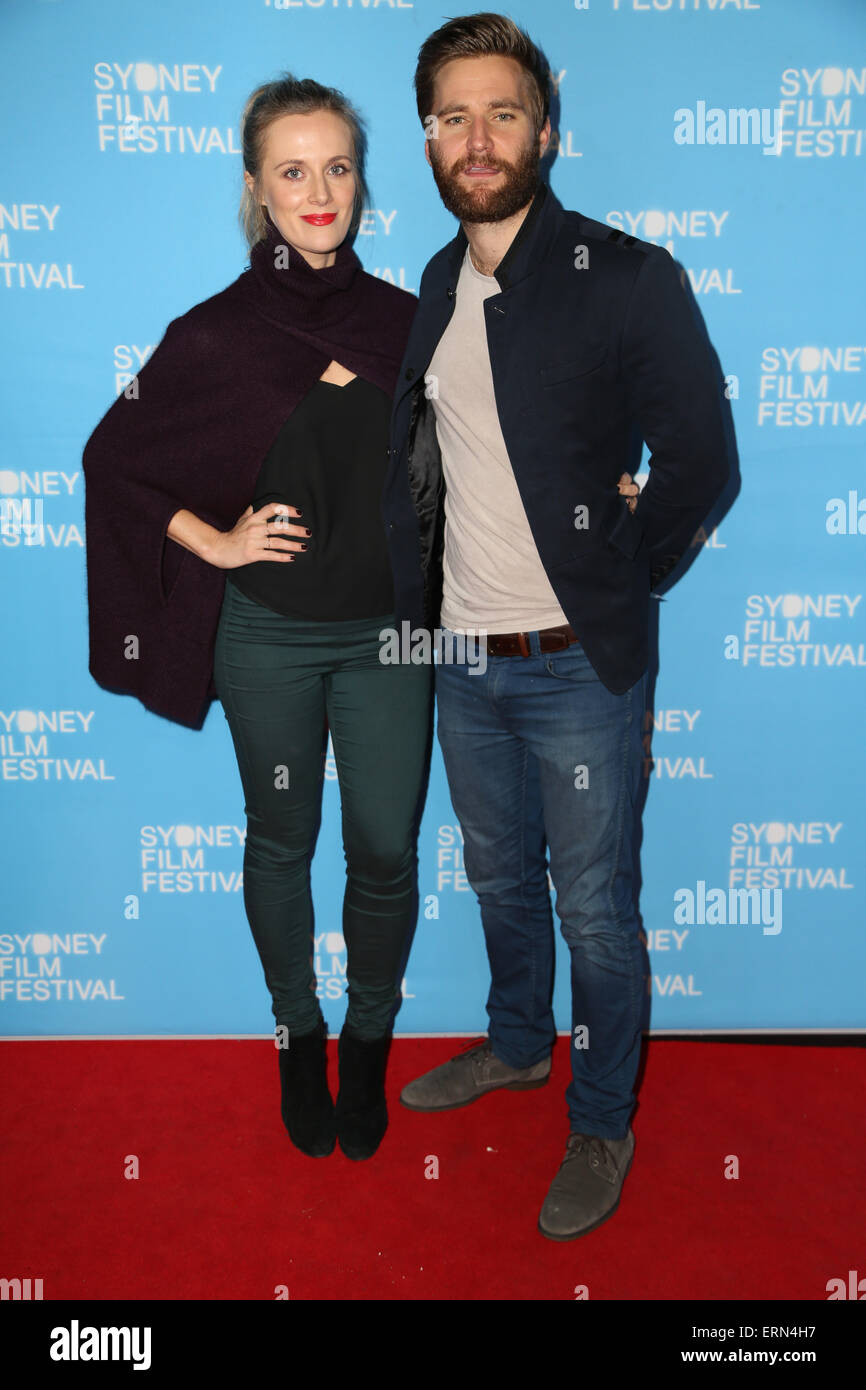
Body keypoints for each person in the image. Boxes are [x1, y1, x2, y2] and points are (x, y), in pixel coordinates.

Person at [383, 13, 731, 1238]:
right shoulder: (434, 283)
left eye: (502, 112)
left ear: (544, 127)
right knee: (495, 879)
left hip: (579, 666)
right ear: (426, 136)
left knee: (594, 905)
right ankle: (517, 1044)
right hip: (461, 665)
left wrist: (626, 569)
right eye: (450, 115)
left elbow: (703, 460)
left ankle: (598, 1118)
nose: (476, 139)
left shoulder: (626, 278)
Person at [82, 75, 432, 1161]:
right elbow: (115, 460)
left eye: (337, 166)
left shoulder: (407, 322)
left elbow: (481, 456)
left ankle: (369, 1040)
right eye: (293, 169)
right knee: (282, 841)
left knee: (382, 847)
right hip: (266, 635)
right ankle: (297, 1034)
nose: (319, 190)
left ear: (359, 183)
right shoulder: (218, 334)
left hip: (387, 636)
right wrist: (218, 539)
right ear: (255, 188)